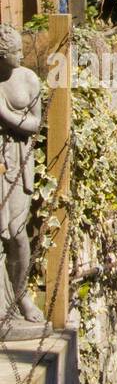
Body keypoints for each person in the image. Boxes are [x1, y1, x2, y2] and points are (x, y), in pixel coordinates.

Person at [0, 23, 46, 326]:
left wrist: (3, 112)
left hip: (17, 163)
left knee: (17, 235)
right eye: (15, 52)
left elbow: (34, 125)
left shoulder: (28, 79)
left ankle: (21, 295)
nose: (21, 55)